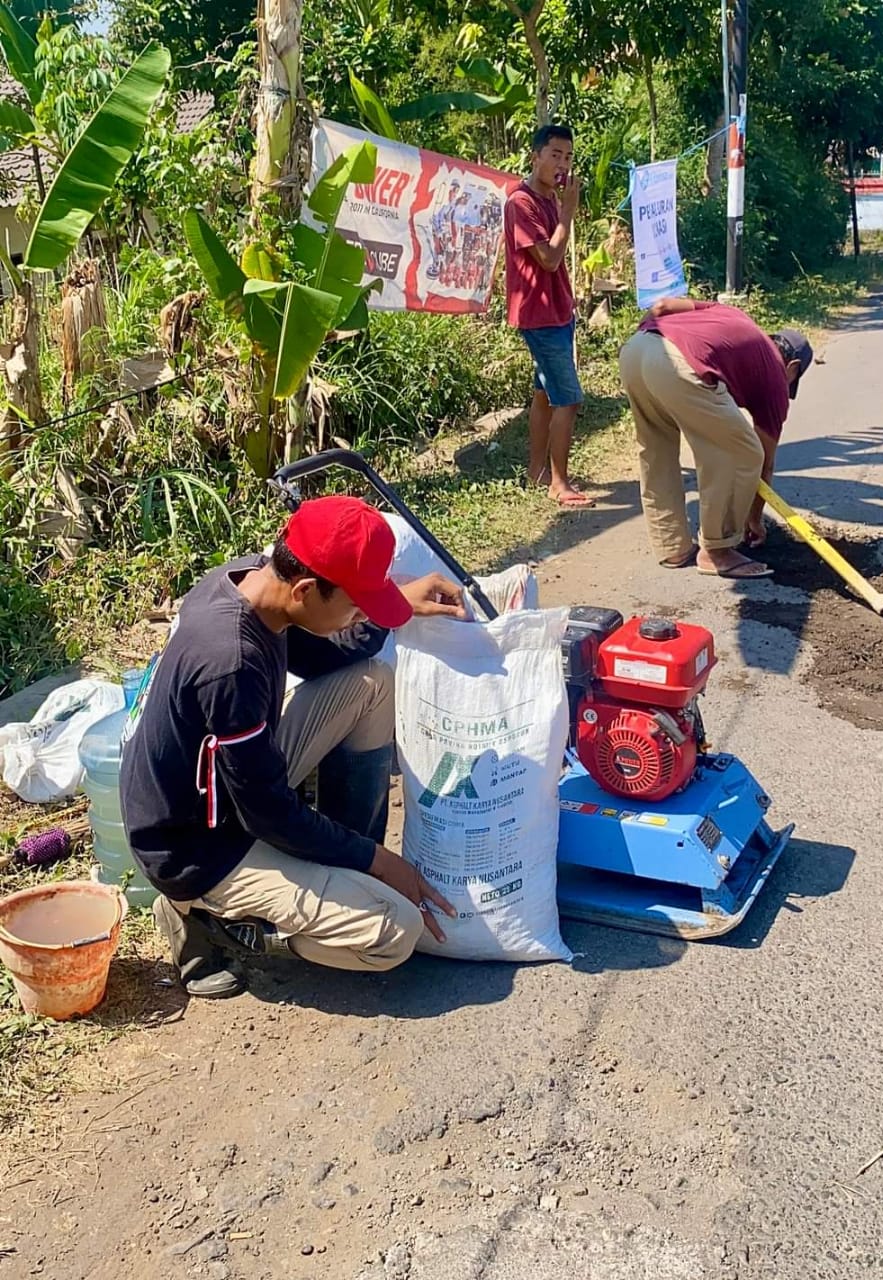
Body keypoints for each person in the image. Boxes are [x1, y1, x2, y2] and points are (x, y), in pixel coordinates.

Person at [119, 496, 465, 999]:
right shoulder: (231, 662)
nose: (358, 616)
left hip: (226, 788)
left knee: (370, 684)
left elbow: (325, 653)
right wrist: (378, 860)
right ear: (305, 588)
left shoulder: (248, 583)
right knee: (395, 933)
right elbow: (268, 814)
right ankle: (217, 922)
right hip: (196, 844)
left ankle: (334, 861)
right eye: (355, 603)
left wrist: (390, 607)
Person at [619, 297, 813, 579]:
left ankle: (672, 547)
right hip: (676, 361)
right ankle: (717, 550)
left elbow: (661, 307)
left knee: (656, 448)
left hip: (637, 348)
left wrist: (649, 339)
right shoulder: (774, 372)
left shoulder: (732, 318)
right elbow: (763, 461)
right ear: (792, 367)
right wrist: (754, 519)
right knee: (740, 453)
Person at [504, 123, 592, 509]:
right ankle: (560, 483)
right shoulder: (520, 203)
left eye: (568, 157)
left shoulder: (551, 199)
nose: (562, 164)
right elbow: (550, 259)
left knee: (545, 394)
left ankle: (537, 471)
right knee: (568, 399)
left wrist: (563, 209)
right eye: (555, 155)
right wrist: (568, 213)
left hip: (558, 310)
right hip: (539, 315)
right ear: (535, 156)